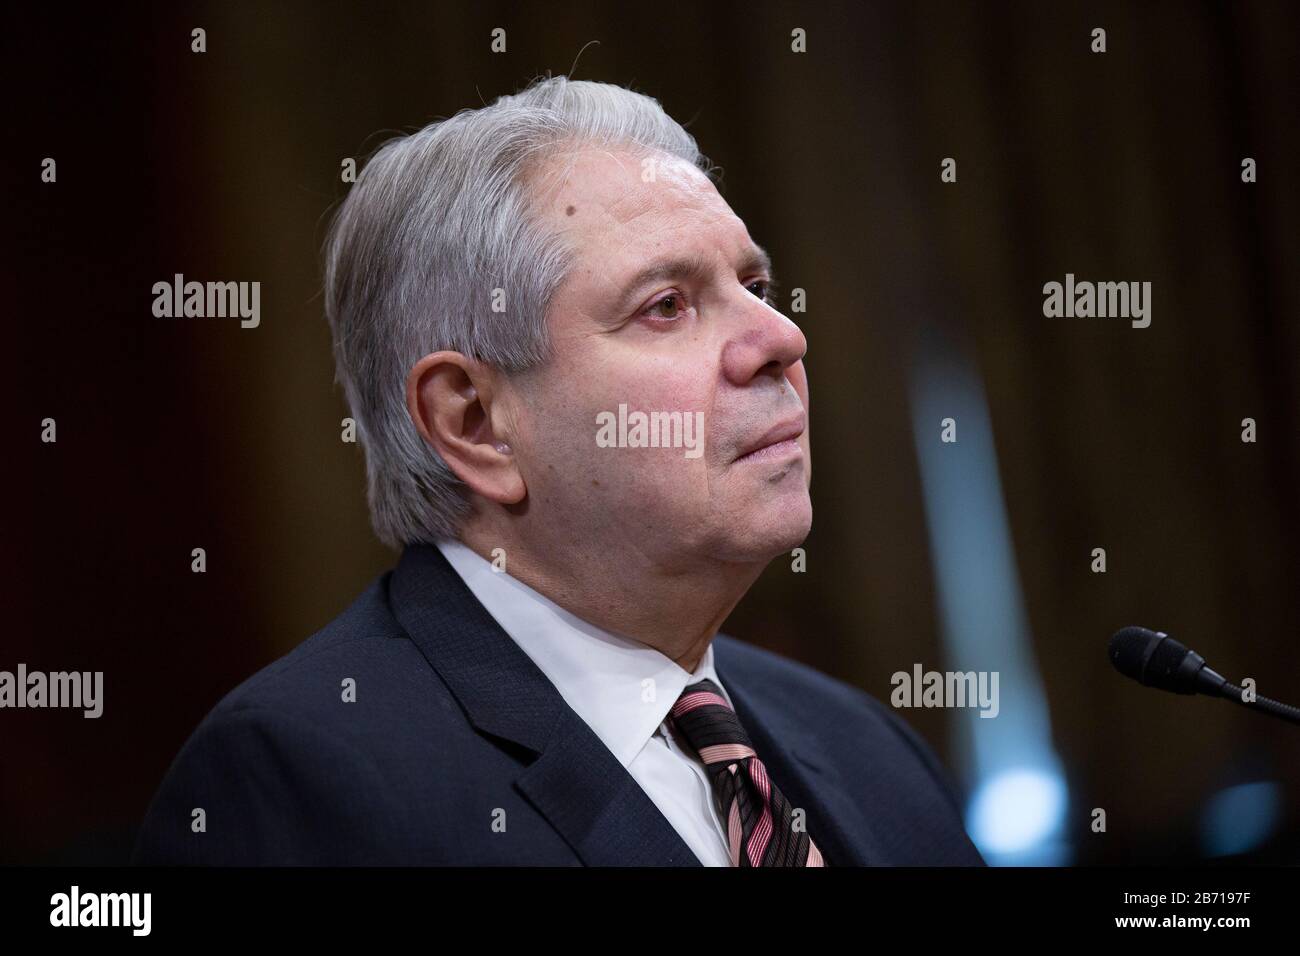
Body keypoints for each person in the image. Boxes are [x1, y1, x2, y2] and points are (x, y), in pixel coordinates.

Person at [132, 75, 985, 867]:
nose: (782, 339)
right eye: (666, 306)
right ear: (475, 423)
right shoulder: (300, 779)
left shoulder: (867, 746)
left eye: (755, 283)